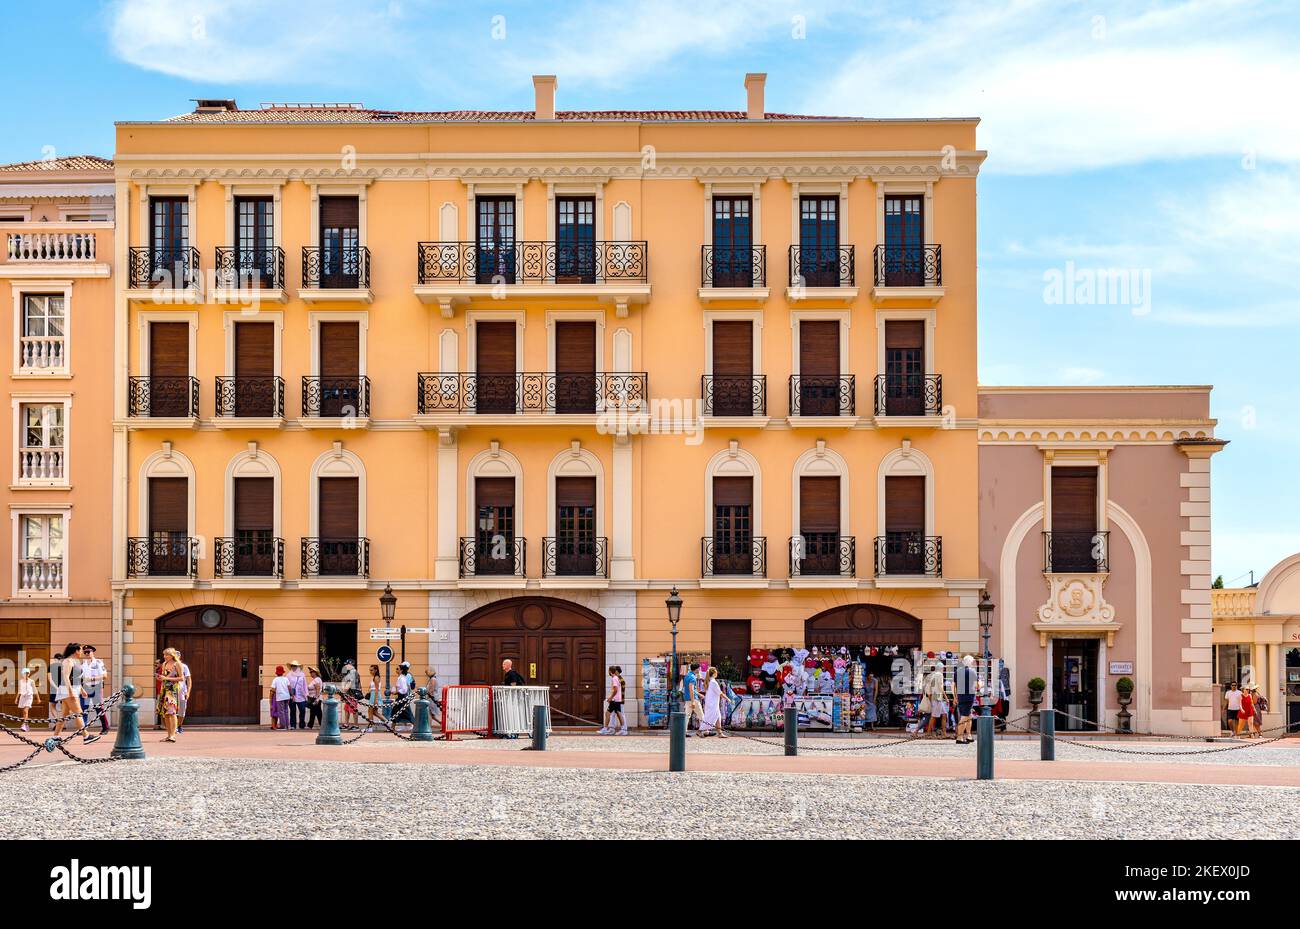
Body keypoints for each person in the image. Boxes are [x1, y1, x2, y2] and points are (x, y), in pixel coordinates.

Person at [52, 644, 98, 744]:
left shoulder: (75, 661)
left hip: (74, 689)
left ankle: (56, 737)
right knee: (78, 712)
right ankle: (86, 736)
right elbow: (66, 677)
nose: (82, 652)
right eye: (80, 650)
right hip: (68, 690)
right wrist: (70, 691)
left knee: (64, 714)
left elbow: (76, 678)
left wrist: (81, 690)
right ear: (75, 651)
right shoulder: (68, 661)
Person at [79, 644, 110, 734]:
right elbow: (80, 677)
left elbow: (104, 676)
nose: (87, 654)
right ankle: (83, 729)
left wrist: (92, 679)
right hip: (86, 688)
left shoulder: (98, 663)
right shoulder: (83, 664)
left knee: (99, 708)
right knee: (84, 708)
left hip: (96, 687)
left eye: (88, 652)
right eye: (85, 652)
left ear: (92, 652)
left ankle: (105, 727)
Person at [158, 648, 184, 742]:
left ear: (172, 655)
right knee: (166, 714)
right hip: (164, 689)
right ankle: (169, 735)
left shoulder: (177, 664)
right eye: (164, 655)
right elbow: (165, 677)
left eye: (167, 655)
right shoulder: (164, 664)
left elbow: (181, 678)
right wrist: (161, 678)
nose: (164, 657)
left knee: (172, 713)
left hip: (172, 690)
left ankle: (173, 735)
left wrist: (166, 678)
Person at [954, 655, 977, 745]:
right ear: (970, 662)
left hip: (960, 696)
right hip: (969, 696)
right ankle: (959, 737)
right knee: (964, 716)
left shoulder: (957, 672)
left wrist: (955, 697)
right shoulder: (972, 671)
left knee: (968, 716)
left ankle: (968, 735)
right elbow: (976, 685)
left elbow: (955, 685)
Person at [923, 660, 949, 738]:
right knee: (934, 716)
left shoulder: (933, 675)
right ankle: (928, 733)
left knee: (944, 714)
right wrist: (946, 697)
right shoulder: (940, 675)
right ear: (941, 668)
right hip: (937, 697)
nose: (944, 669)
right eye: (943, 668)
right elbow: (941, 687)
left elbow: (930, 687)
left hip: (935, 696)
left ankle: (944, 733)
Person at [700, 666, 727, 737]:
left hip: (711, 703)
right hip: (713, 703)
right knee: (709, 717)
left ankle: (720, 733)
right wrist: (728, 699)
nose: (717, 673)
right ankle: (700, 730)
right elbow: (720, 692)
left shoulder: (710, 682)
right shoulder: (713, 682)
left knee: (717, 717)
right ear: (714, 673)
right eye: (716, 672)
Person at [600, 665, 626, 735]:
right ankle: (622, 729)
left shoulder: (614, 678)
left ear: (610, 671)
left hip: (615, 699)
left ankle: (606, 728)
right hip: (618, 699)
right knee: (618, 713)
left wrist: (610, 698)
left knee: (608, 713)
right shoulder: (617, 678)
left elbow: (615, 690)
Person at [681, 662, 704, 734]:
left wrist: (699, 694)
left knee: (687, 716)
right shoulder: (693, 677)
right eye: (699, 668)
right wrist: (693, 701)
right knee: (701, 715)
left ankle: (683, 732)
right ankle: (704, 731)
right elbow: (691, 689)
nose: (700, 670)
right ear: (696, 669)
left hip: (687, 699)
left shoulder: (687, 675)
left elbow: (690, 689)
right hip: (693, 699)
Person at [339, 659, 361, 730]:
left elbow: (349, 683)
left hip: (353, 694)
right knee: (346, 709)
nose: (345, 666)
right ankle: (346, 724)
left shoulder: (352, 672)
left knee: (354, 710)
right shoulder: (351, 672)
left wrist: (343, 693)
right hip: (350, 694)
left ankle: (356, 725)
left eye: (346, 664)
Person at [286, 660, 307, 730]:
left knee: (302, 710)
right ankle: (293, 725)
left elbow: (305, 685)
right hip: (292, 695)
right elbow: (287, 685)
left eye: (295, 666)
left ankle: (302, 724)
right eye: (292, 666)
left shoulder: (302, 674)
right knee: (293, 711)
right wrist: (289, 695)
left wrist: (306, 694)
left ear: (298, 666)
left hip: (301, 696)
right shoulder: (288, 675)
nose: (293, 667)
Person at [17, 667, 40, 732]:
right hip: (22, 697)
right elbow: (19, 690)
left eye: (27, 673)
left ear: (29, 674)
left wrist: (38, 698)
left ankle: (23, 724)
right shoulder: (20, 681)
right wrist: (17, 698)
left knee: (25, 711)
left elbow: (35, 690)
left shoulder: (31, 681)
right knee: (24, 713)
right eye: (25, 673)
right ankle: (26, 726)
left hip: (29, 697)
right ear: (22, 674)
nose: (26, 674)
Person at [175, 652, 192, 733]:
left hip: (182, 691)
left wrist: (188, 692)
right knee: (171, 710)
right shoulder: (170, 666)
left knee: (182, 710)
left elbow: (188, 680)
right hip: (172, 691)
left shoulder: (184, 666)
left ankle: (179, 726)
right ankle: (173, 727)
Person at [270, 665, 291, 730]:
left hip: (280, 697)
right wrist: (291, 695)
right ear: (282, 672)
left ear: (276, 673)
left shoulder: (275, 680)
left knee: (281, 711)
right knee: (286, 711)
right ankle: (287, 725)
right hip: (287, 696)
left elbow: (273, 689)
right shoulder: (286, 679)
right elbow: (289, 687)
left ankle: (283, 726)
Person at [365, 664, 383, 731]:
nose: (370, 671)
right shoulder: (374, 677)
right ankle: (387, 721)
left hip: (375, 695)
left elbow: (377, 689)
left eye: (372, 670)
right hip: (373, 694)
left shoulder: (376, 677)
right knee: (375, 712)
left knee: (370, 711)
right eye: (370, 670)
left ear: (376, 670)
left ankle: (370, 728)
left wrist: (376, 699)